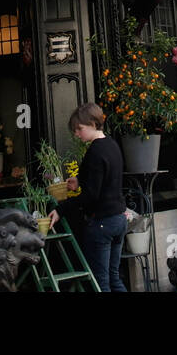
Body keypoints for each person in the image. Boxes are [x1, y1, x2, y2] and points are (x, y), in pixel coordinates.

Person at [48, 103, 127, 292]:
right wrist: (79, 180)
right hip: (119, 220)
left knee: (101, 284)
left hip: (102, 223)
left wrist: (61, 209)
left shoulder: (95, 151)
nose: (77, 133)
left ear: (93, 123)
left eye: (79, 128)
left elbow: (91, 196)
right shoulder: (112, 145)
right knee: (114, 279)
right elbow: (106, 179)